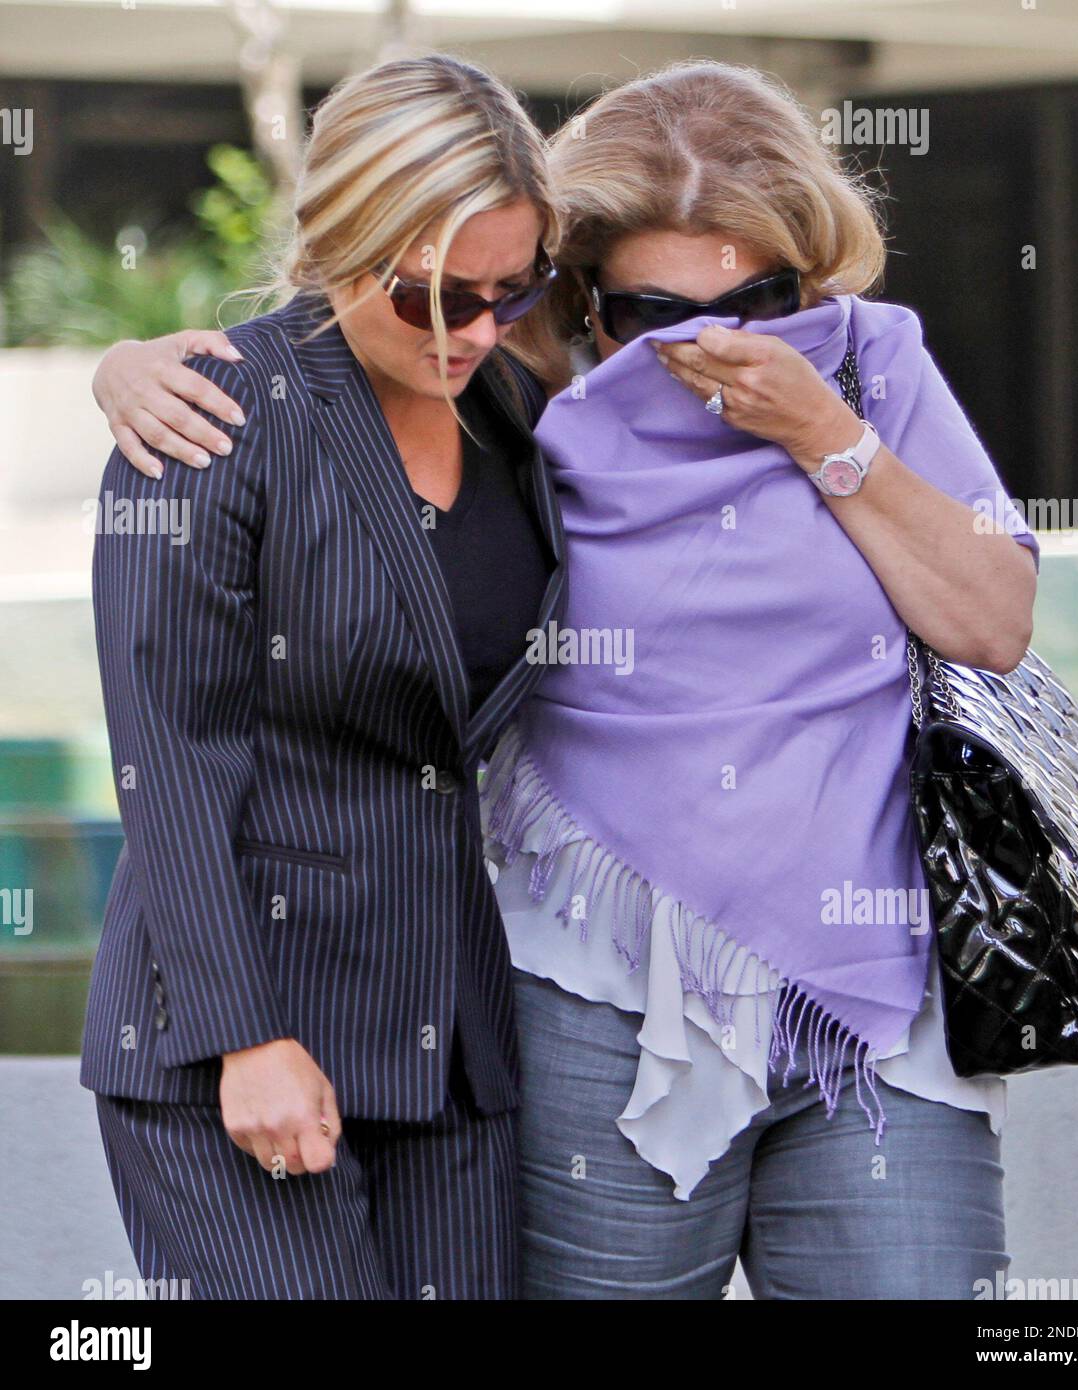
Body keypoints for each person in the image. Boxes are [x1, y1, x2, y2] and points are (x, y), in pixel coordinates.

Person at [90, 61, 1037, 1300]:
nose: (713, 344)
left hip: (666, 1009)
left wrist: (826, 436)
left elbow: (991, 615)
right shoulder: (364, 394)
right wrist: (131, 364)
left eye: (760, 297)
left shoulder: (774, 375)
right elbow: (174, 747)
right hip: (435, 991)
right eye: (656, 312)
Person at [81, 53, 565, 1300]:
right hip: (233, 1037)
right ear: (339, 243)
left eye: (514, 291)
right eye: (434, 298)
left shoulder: (514, 409)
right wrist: (246, 1037)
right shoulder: (211, 418)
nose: (476, 331)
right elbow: (169, 756)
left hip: (449, 1043)